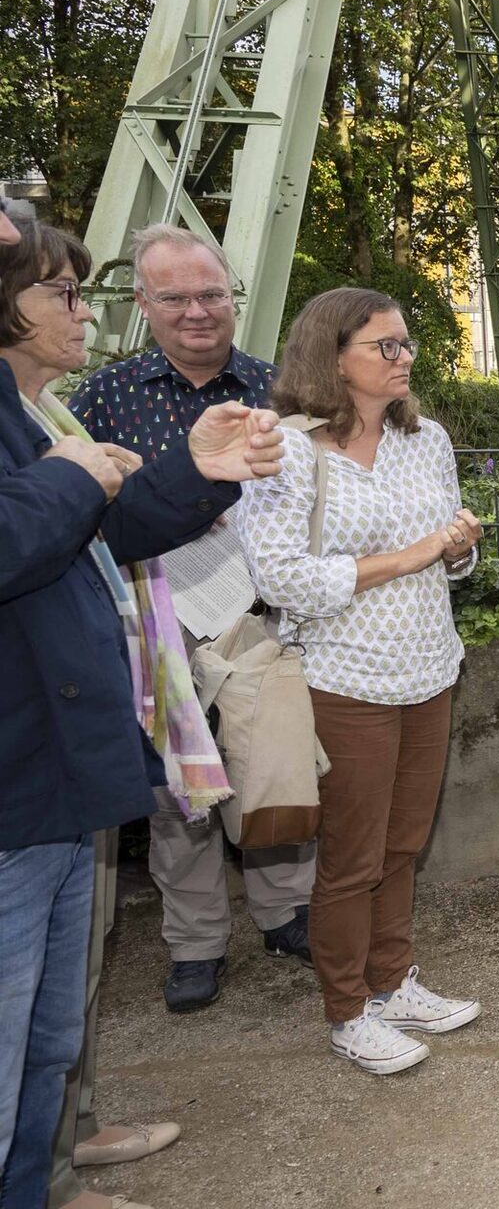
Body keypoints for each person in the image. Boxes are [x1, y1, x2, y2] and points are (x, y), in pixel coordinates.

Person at [1, 215, 283, 1209]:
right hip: (24, 762)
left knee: (44, 1021)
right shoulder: (64, 429)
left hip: (66, 754)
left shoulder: (45, 417)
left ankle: (49, 1173)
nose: (85, 309)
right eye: (65, 293)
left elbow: (108, 529)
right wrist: (68, 479)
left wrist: (196, 467)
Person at [69, 225, 315, 1016]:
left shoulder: (280, 387)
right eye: (173, 298)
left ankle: (287, 914)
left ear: (231, 298)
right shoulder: (102, 397)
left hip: (259, 614)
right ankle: (197, 943)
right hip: (155, 617)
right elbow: (84, 511)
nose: (197, 311)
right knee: (182, 794)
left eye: (211, 293)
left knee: (275, 770)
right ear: (143, 305)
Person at [241, 287, 483, 1076]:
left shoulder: (428, 440)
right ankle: (347, 1011)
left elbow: (454, 556)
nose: (404, 356)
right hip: (344, 679)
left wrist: (457, 548)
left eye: (406, 343)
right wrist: (404, 558)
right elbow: (281, 580)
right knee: (353, 857)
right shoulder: (284, 447)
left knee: (405, 844)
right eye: (385, 346)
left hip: (429, 665)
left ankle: (392, 981)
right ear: (331, 356)